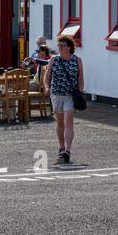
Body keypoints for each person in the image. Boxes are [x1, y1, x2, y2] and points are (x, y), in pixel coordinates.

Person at [42, 35, 83, 165]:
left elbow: (81, 78)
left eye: (63, 45)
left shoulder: (77, 60)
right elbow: (47, 77)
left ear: (70, 47)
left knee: (69, 122)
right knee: (60, 123)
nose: (60, 48)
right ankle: (61, 147)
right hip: (56, 94)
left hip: (70, 96)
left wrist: (80, 92)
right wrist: (47, 87)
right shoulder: (54, 60)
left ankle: (67, 150)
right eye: (59, 45)